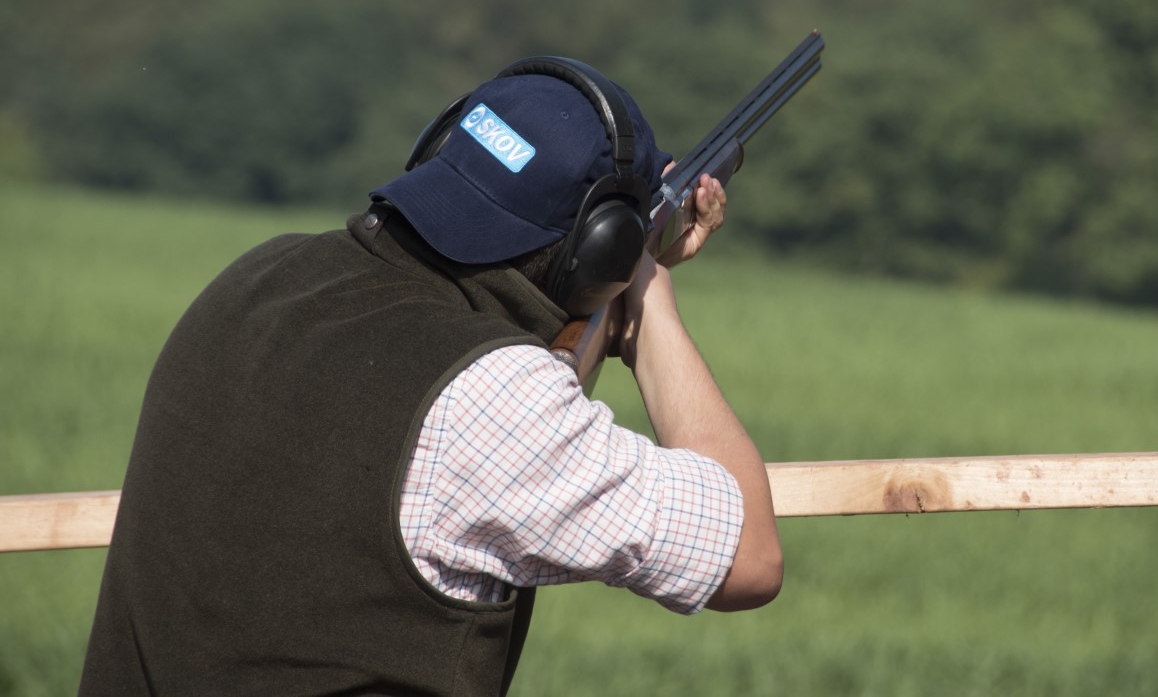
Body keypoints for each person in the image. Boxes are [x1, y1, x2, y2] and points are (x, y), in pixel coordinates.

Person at [79, 56, 782, 696]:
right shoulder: (492, 398)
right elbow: (748, 553)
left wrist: (611, 286)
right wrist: (647, 294)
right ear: (599, 252)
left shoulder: (257, 278)